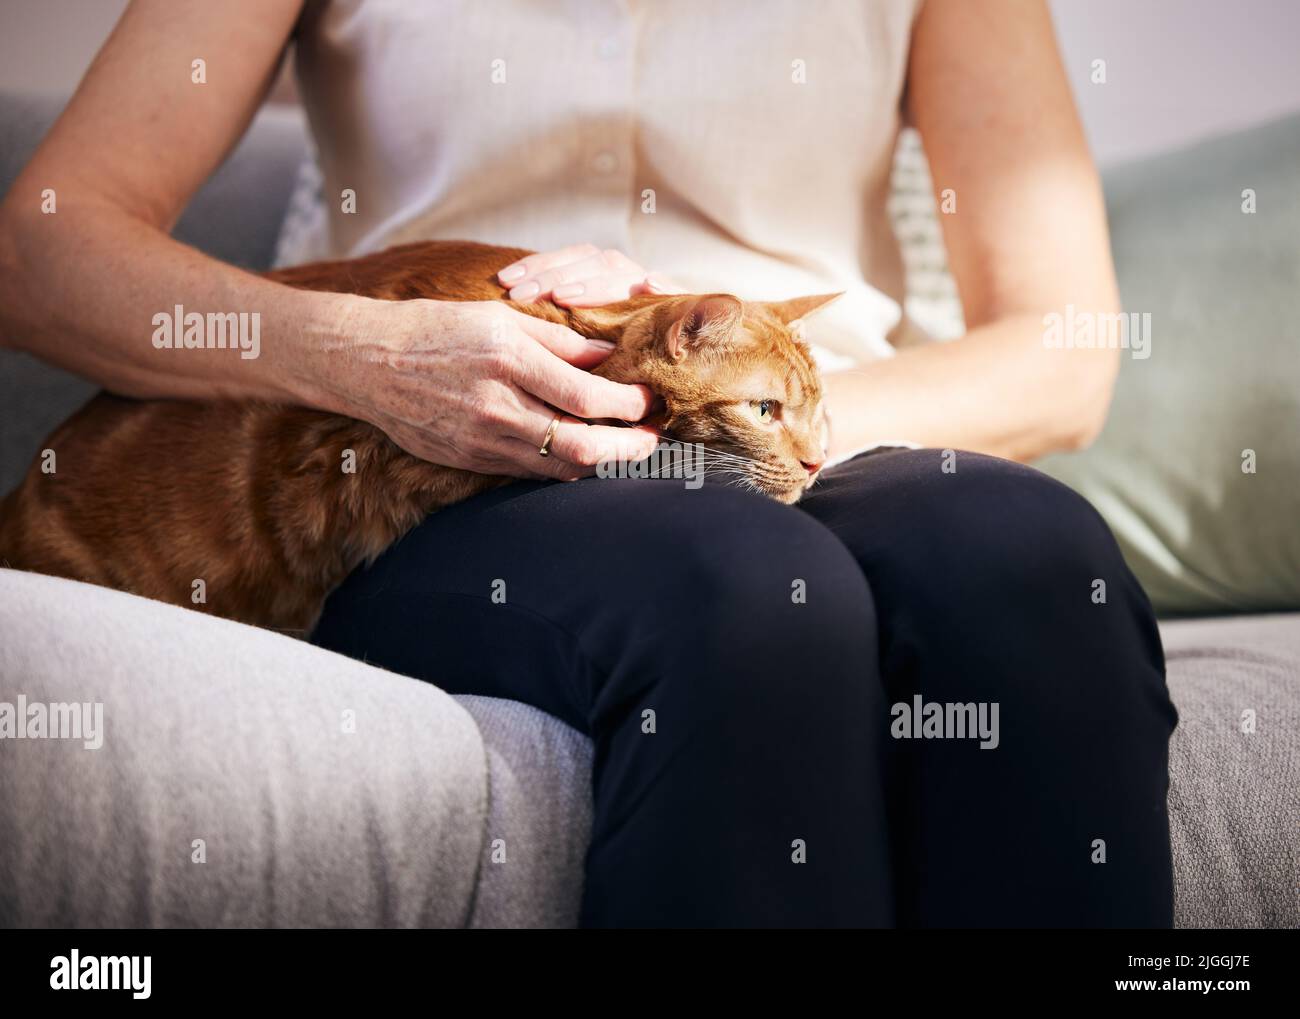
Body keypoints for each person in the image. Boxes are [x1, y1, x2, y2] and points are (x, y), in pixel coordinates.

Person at [0, 0, 1176, 926]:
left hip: (827, 415)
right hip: (434, 455)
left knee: (1029, 559)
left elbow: (1060, 353)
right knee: (746, 587)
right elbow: (39, 253)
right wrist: (368, 353)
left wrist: (740, 417)